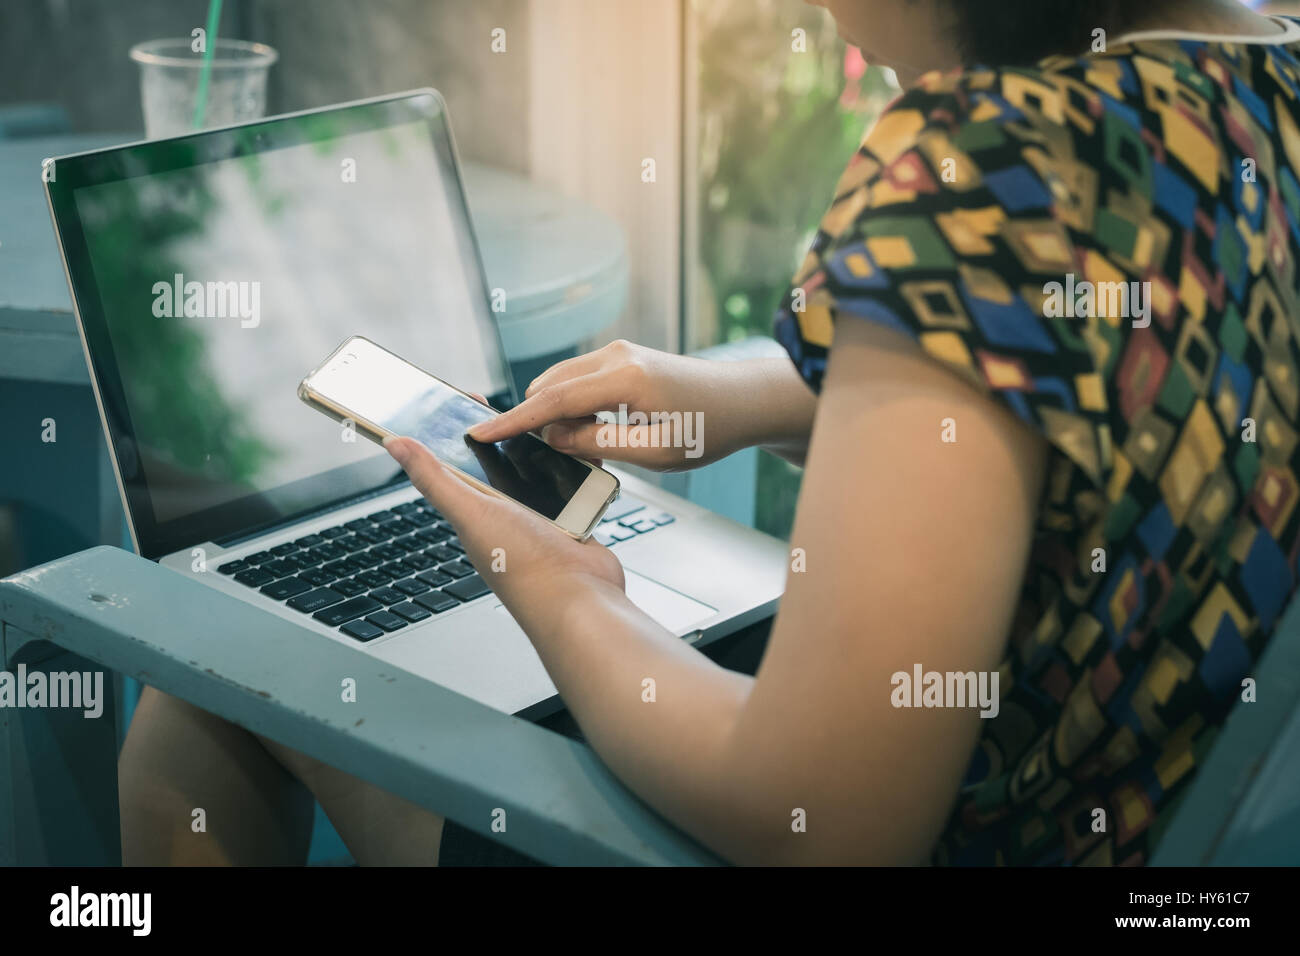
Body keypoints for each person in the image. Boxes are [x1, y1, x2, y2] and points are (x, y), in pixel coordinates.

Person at [120, 0, 1300, 865]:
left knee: (219, 656)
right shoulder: (1263, 89)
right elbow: (1121, 387)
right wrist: (734, 395)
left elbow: (824, 815)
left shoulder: (993, 158)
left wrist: (563, 590)